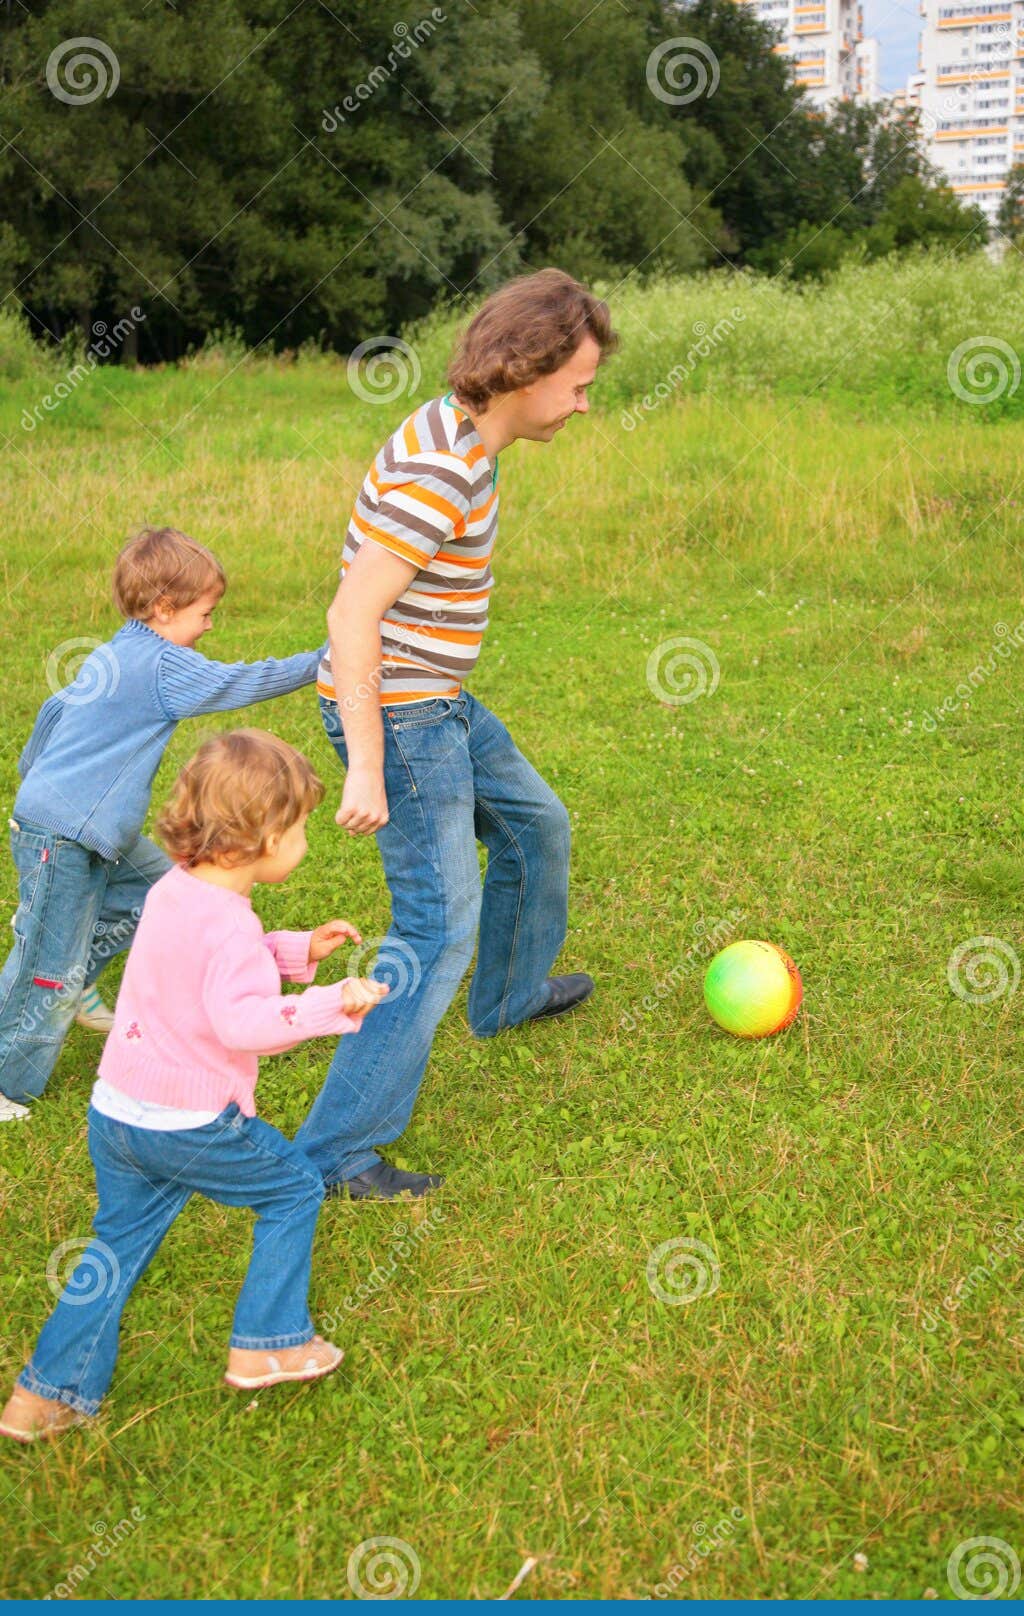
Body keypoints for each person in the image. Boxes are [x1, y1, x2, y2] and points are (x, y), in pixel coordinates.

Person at [297, 269, 617, 1201]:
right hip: (399, 717)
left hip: (435, 701)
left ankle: (509, 996)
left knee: (535, 824)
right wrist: (365, 762)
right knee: (437, 927)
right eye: (580, 385)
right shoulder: (445, 468)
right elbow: (352, 614)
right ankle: (335, 1155)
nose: (585, 405)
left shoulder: (461, 431)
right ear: (527, 371)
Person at [0, 729, 386, 1443]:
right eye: (299, 828)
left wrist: (295, 950)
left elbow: (200, 972)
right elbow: (242, 1022)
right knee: (294, 1189)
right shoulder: (229, 927)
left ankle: (44, 1395)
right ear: (264, 837)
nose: (303, 840)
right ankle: (269, 1345)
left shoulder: (175, 892)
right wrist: (333, 1001)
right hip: (189, 1123)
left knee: (117, 1245)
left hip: (117, 1113)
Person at [0, 526, 325, 1123]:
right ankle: (6, 1082)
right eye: (205, 613)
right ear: (163, 608)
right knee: (48, 967)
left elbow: (51, 714)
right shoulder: (162, 666)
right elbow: (242, 681)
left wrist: (36, 782)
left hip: (93, 832)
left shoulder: (116, 651)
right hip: (64, 839)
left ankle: (80, 983)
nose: (209, 626)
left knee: (162, 897)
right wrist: (324, 662)